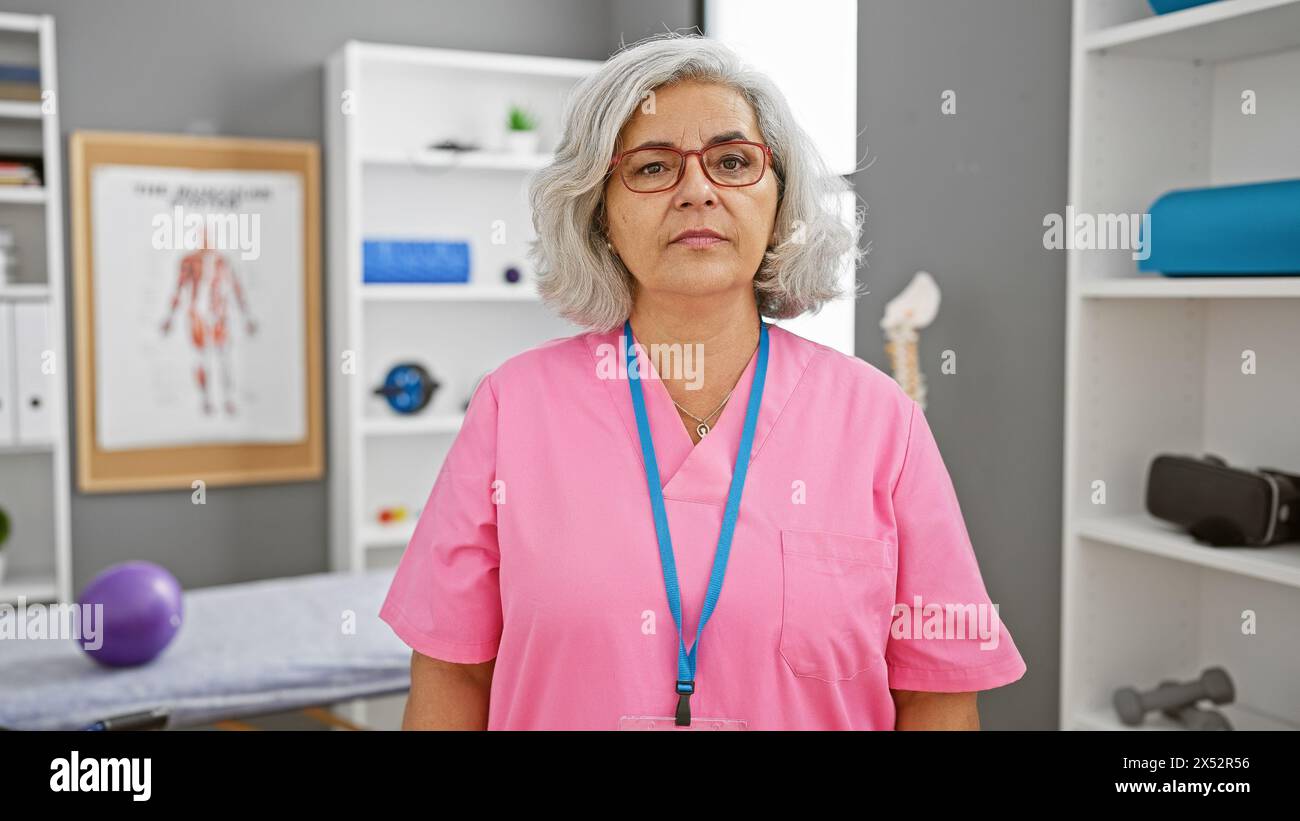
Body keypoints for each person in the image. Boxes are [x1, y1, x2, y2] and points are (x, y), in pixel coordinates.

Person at [379, 32, 1026, 730]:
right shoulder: (513, 407)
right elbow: (453, 672)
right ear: (600, 213)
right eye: (653, 168)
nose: (697, 191)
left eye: (732, 161)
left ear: (781, 202)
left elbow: (938, 692)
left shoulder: (880, 422)